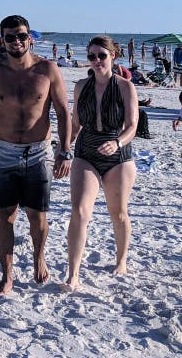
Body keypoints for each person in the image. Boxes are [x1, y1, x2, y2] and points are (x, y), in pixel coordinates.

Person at [0, 15, 72, 296]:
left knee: (37, 217)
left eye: (22, 36)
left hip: (39, 152)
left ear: (30, 38)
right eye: (10, 37)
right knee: (6, 216)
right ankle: (7, 276)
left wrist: (65, 151)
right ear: (2, 40)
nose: (17, 41)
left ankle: (39, 256)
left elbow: (63, 112)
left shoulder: (47, 70)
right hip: (4, 152)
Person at [65, 35, 138, 291]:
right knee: (80, 212)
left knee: (117, 212)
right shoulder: (80, 86)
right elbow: (75, 124)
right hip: (86, 152)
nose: (96, 61)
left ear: (112, 56)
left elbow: (132, 126)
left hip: (118, 156)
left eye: (101, 56)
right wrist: (64, 148)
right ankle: (73, 274)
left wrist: (117, 142)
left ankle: (121, 260)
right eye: (92, 56)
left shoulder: (125, 87)